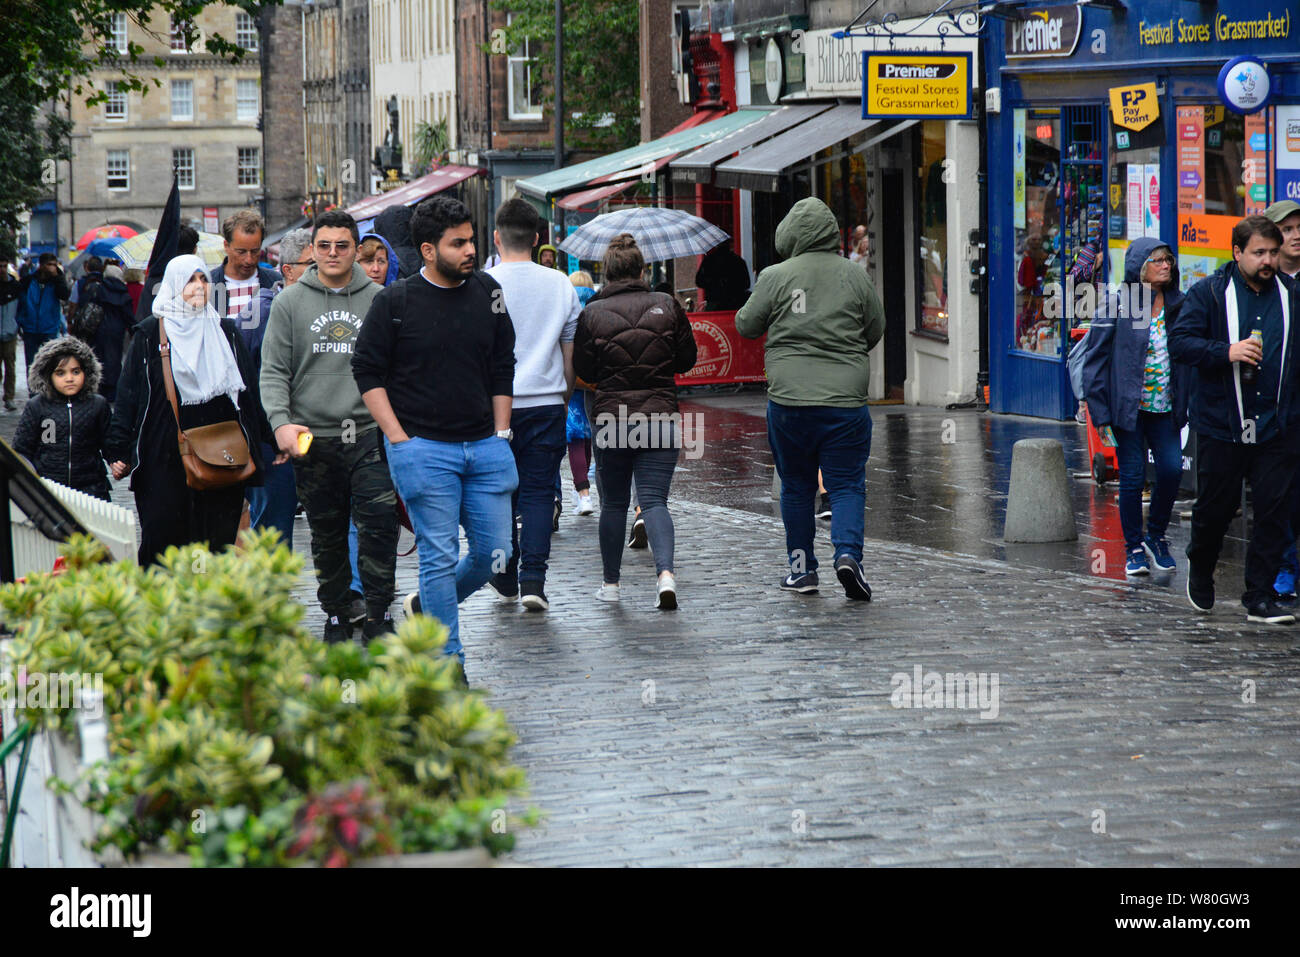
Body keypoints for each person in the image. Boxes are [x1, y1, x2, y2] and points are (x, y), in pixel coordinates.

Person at [353, 195, 517, 671]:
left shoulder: (488, 292)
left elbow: (503, 364)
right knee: (439, 557)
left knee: (495, 554)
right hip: (424, 449)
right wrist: (398, 439)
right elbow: (366, 370)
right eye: (458, 243)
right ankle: (449, 663)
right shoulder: (395, 302)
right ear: (428, 250)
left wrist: (502, 431)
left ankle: (426, 605)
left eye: (471, 240)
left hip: (486, 446)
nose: (471, 250)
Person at [736, 197, 884, 601]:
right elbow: (876, 327)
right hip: (845, 400)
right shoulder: (854, 276)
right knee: (847, 484)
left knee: (797, 486)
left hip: (790, 401)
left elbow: (746, 324)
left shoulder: (775, 275)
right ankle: (849, 555)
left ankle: (802, 572)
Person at [260, 210, 398, 643]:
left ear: (357, 249)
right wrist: (280, 423)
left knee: (378, 524)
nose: (333, 254)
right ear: (312, 250)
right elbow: (273, 372)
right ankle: (338, 611)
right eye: (324, 246)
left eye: (342, 246)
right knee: (327, 530)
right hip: (312, 438)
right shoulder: (289, 303)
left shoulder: (379, 299)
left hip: (369, 434)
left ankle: (377, 611)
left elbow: (398, 368)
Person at [106, 256, 281, 564]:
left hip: (220, 452)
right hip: (163, 454)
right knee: (163, 542)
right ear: (174, 285)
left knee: (215, 543)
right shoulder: (150, 333)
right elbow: (128, 395)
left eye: (203, 279)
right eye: (190, 280)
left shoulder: (224, 330)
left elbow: (249, 393)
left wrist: (271, 437)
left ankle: (207, 606)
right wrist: (118, 449)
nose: (199, 286)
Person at [1169, 215, 1300, 624]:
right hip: (1224, 423)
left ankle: (1258, 596)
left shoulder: (1291, 294)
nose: (1267, 260)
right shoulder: (1209, 292)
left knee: (1274, 511)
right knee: (1217, 507)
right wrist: (1226, 351)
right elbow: (1181, 342)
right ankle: (1201, 565)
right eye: (1259, 253)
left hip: (1278, 425)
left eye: (1273, 253)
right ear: (1237, 252)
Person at [574, 234, 696, 608]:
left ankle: (611, 585)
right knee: (655, 501)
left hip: (612, 418)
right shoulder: (667, 305)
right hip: (660, 414)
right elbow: (687, 358)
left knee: (613, 504)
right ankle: (665, 576)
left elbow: (583, 369)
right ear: (642, 270)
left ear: (606, 273)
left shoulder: (592, 313)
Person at [485, 199, 579, 611]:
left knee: (499, 493)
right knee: (540, 494)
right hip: (545, 400)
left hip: (494, 407)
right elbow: (569, 352)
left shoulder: (483, 284)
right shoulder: (560, 284)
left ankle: (504, 573)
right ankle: (533, 582)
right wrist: (564, 395)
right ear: (538, 238)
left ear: (496, 237)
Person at [1080, 238, 1188, 576]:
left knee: (1170, 471)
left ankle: (1156, 536)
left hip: (1166, 408)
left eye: (1168, 259)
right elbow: (1094, 361)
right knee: (1132, 477)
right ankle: (1134, 548)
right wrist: (1099, 412)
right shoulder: (1119, 305)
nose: (1165, 265)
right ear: (1139, 268)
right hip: (1128, 410)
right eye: (1157, 260)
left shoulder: (1181, 305)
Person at [240, 227, 309, 555]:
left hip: (316, 435)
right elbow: (251, 382)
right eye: (312, 264)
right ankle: (269, 598)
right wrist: (270, 435)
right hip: (273, 440)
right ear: (288, 269)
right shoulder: (261, 312)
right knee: (273, 528)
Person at [13, 337, 114, 499]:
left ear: (86, 372)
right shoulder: (37, 406)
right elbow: (22, 448)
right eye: (60, 373)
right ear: (48, 375)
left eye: (76, 371)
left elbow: (109, 442)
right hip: (49, 487)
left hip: (91, 487)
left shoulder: (97, 405)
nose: (69, 378)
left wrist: (117, 460)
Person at [71, 261, 135, 402]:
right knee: (115, 360)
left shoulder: (98, 289)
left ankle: (99, 389)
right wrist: (133, 331)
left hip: (98, 329)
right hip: (116, 331)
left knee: (99, 359)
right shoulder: (124, 294)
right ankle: (112, 391)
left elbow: (85, 304)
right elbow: (129, 316)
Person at [209, 210, 279, 320]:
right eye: (241, 252)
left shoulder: (276, 282)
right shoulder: (208, 285)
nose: (249, 260)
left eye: (255, 251)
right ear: (226, 246)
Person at [567, 271, 597, 515]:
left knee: (575, 438)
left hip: (571, 380)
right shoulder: (598, 306)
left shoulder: (565, 306)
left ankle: (584, 495)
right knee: (590, 437)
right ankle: (591, 492)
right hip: (595, 381)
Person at [15, 253, 70, 375]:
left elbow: (65, 295)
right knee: (32, 365)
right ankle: (33, 393)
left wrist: (58, 277)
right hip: (30, 329)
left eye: (55, 265)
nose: (53, 267)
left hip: (49, 329)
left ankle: (47, 393)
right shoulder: (29, 281)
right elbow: (20, 302)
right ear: (41, 265)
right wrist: (21, 321)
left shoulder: (56, 282)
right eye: (49, 264)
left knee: (50, 365)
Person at [695, 240, 751, 311]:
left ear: (716, 245)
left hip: (714, 303)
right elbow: (747, 284)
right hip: (735, 304)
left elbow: (699, 281)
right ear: (730, 244)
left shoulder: (708, 261)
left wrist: (713, 284)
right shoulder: (738, 261)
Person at [0, 256, 20, 410]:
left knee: (10, 367)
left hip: (9, 331)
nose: (2, 269)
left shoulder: (14, 286)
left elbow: (20, 308)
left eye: (4, 266)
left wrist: (17, 325)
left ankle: (9, 396)